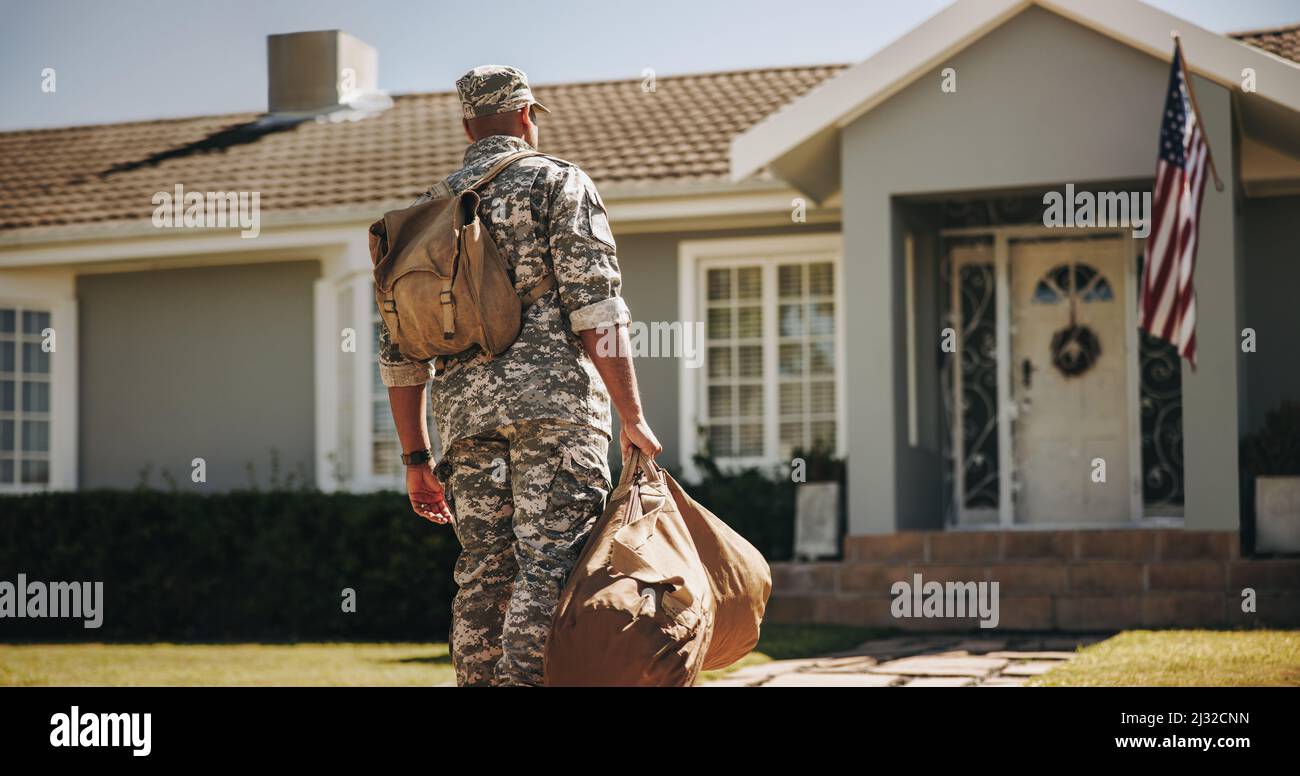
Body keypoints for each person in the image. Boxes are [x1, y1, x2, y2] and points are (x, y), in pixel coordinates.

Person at [377, 65, 661, 687]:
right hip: (554, 410)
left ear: (466, 125)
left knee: (483, 569)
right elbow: (598, 309)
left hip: (462, 422)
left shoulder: (425, 212)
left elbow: (399, 351)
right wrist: (631, 416)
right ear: (528, 115)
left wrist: (415, 458)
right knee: (550, 563)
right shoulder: (558, 182)